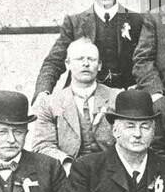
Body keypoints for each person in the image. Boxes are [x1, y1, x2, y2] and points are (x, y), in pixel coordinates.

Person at [35, 0, 142, 97]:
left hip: (125, 97)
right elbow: (54, 62)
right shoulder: (74, 23)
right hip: (83, 95)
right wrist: (43, 92)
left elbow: (145, 61)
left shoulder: (137, 21)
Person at [27, 38, 117, 172]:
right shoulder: (50, 103)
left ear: (99, 65)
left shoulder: (116, 97)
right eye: (80, 59)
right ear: (67, 64)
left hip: (110, 172)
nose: (86, 64)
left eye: (91, 59)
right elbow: (42, 145)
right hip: (68, 173)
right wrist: (67, 164)